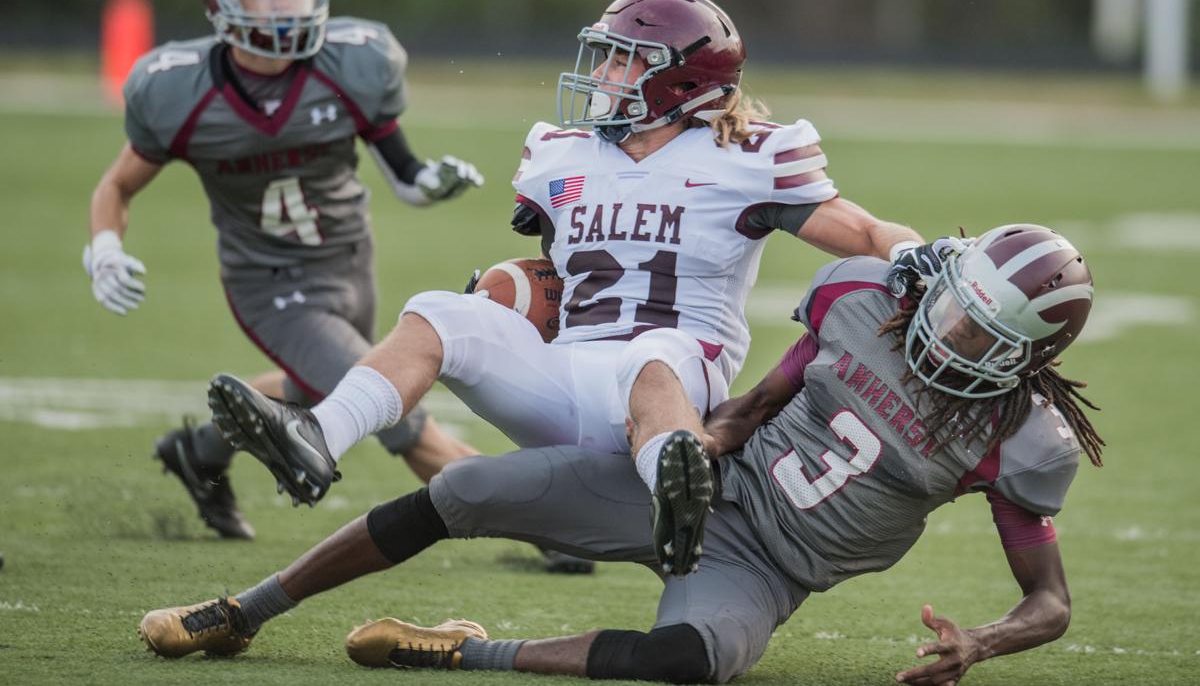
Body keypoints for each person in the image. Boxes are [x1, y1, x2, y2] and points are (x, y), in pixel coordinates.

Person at [137, 224, 1102, 684]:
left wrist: (980, 641)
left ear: (1028, 355)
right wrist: (687, 458)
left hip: (765, 569)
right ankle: (241, 611)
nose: (946, 331)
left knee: (687, 663)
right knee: (467, 486)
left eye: (979, 336)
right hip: (700, 492)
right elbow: (761, 402)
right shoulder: (862, 302)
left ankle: (463, 653)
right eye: (951, 305)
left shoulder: (1021, 438)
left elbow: (1050, 602)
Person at [203, 0, 933, 572]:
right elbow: (558, 280)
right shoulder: (562, 155)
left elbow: (867, 232)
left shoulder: (749, 158)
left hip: (680, 374)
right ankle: (316, 438)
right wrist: (502, 299)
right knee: (438, 311)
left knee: (652, 356)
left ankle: (679, 500)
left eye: (623, 61)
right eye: (605, 57)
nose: (602, 75)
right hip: (569, 375)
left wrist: (910, 253)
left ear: (678, 82)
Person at [83, 0, 484, 542]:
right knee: (393, 411)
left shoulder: (351, 66)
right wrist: (104, 248)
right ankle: (531, 515)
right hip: (270, 282)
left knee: (311, 385)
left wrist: (429, 182)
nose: (285, 4)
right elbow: (118, 184)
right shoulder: (180, 93)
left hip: (350, 260)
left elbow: (402, 173)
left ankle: (200, 452)